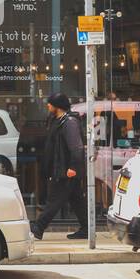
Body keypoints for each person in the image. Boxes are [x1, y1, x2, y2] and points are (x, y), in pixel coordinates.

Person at [31, 92, 86, 240]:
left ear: (58, 106)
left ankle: (38, 228)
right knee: (76, 200)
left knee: (54, 200)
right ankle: (86, 228)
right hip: (61, 168)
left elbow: (77, 147)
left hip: (66, 170)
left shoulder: (69, 122)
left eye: (50, 103)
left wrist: (73, 167)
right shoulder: (58, 120)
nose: (48, 105)